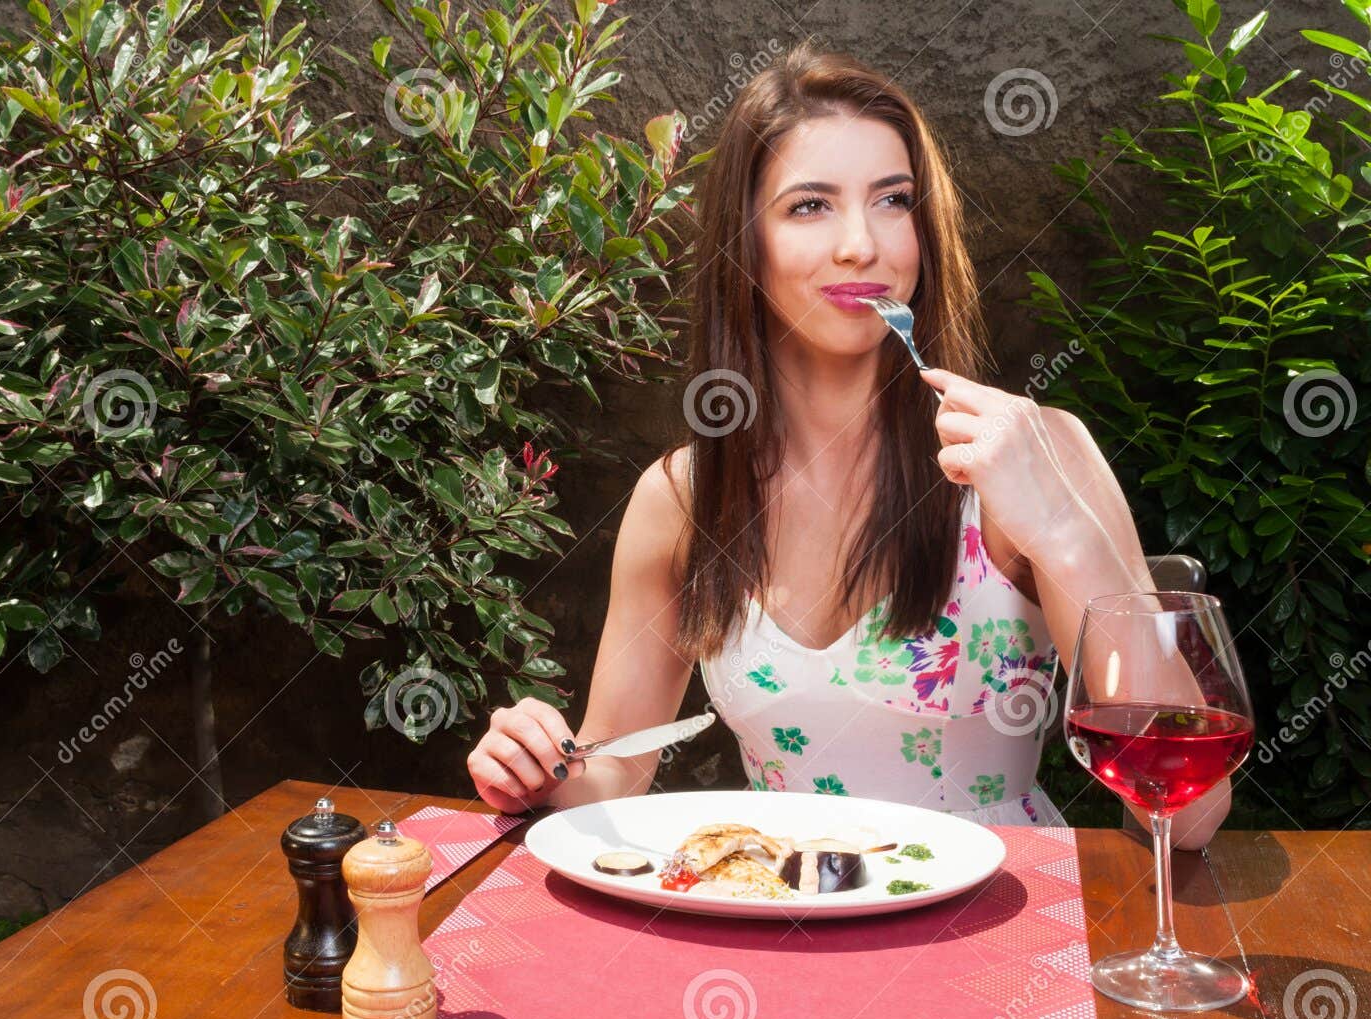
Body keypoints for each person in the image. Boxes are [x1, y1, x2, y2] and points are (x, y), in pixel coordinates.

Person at [464, 41, 1229, 850]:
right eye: (810, 206)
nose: (861, 244)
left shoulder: (1031, 454)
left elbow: (1192, 814)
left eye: (893, 200)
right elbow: (614, 769)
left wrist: (1063, 530)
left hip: (1003, 914)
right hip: (781, 905)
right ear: (745, 246)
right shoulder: (683, 499)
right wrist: (542, 766)